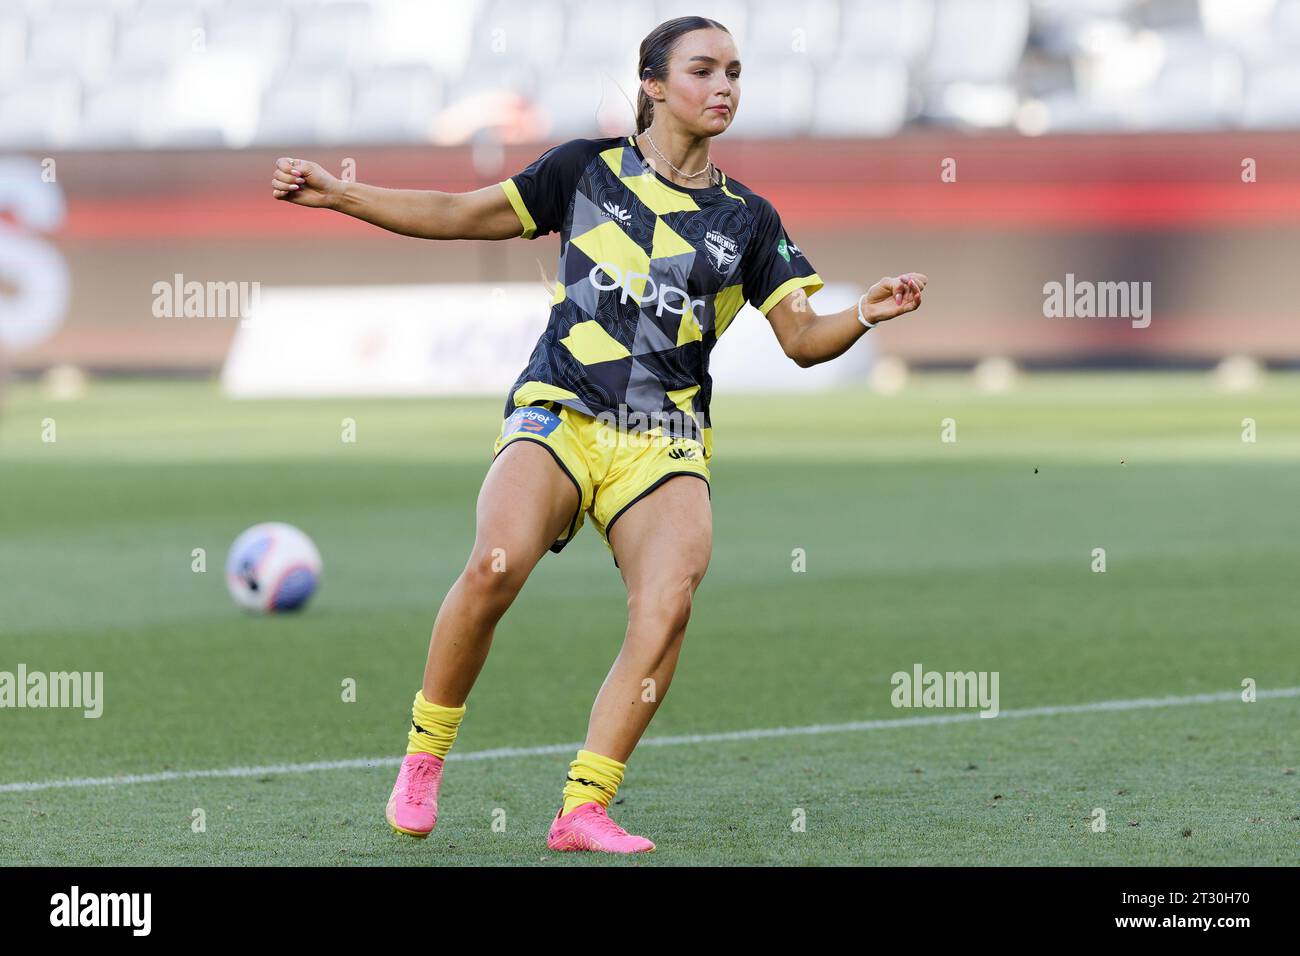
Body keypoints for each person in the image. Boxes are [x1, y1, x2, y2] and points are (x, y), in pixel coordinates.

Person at [270, 15, 927, 854]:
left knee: (669, 603)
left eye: (734, 70)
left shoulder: (750, 220)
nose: (724, 85)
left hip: (663, 437)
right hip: (562, 409)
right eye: (703, 70)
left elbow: (801, 339)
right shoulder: (585, 170)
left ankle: (583, 807)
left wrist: (863, 314)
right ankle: (425, 758)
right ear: (653, 84)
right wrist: (343, 194)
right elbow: (460, 213)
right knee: (494, 564)